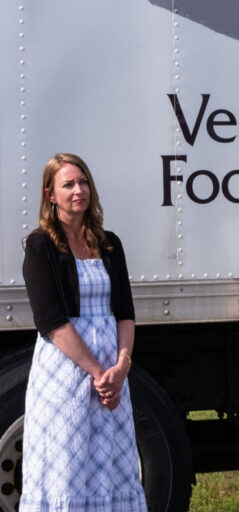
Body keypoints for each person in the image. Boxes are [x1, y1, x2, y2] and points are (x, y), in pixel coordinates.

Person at [21, 154, 147, 512]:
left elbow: (125, 313)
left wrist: (121, 368)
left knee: (112, 466)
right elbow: (51, 321)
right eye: (69, 184)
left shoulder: (109, 243)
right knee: (65, 467)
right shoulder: (40, 246)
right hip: (65, 372)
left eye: (84, 182)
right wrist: (98, 374)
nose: (79, 190)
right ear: (51, 195)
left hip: (111, 373)